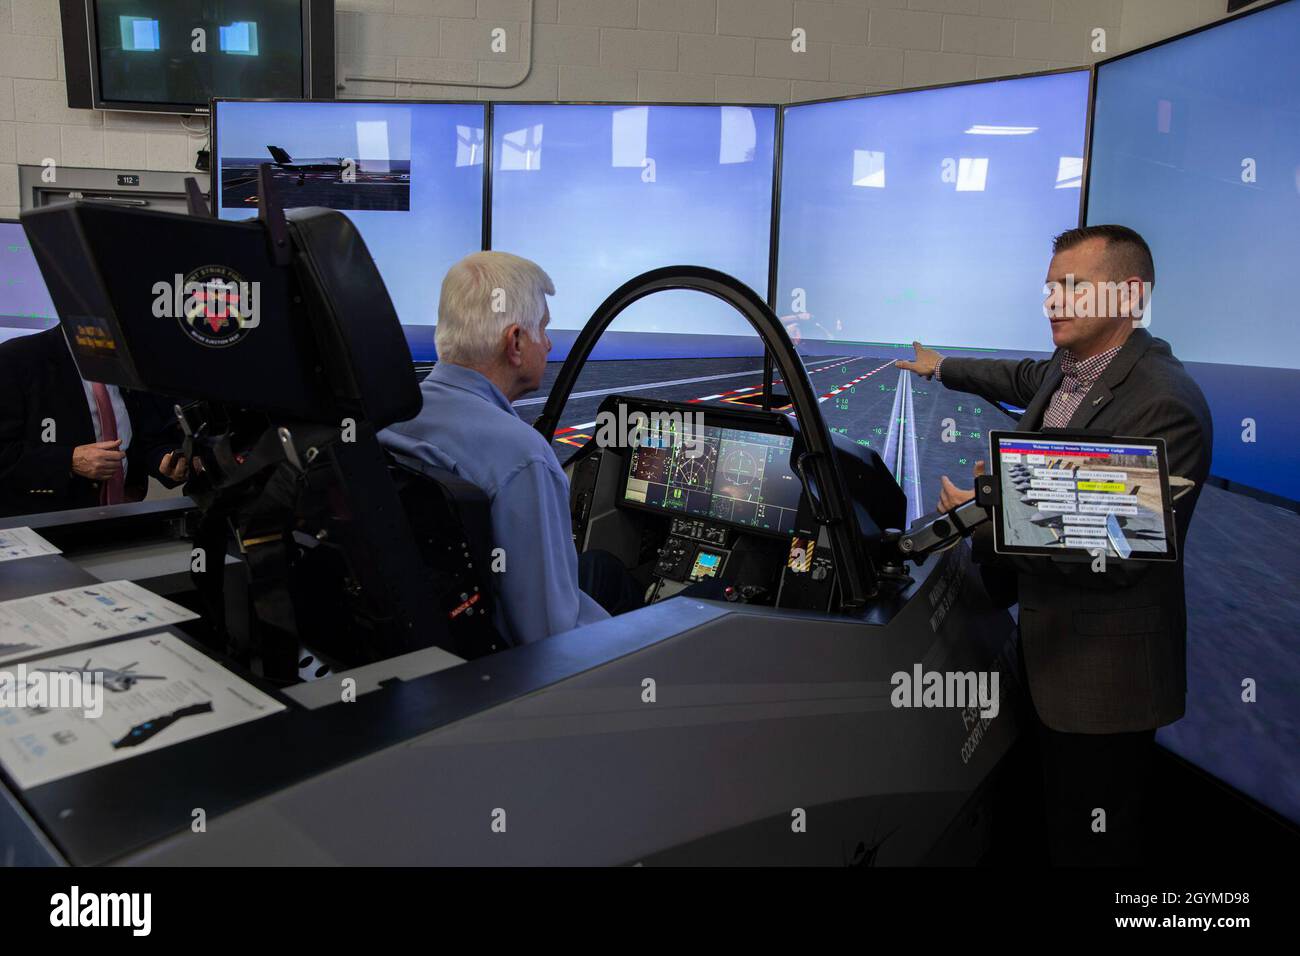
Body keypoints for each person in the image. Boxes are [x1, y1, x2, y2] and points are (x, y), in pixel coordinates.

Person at [897, 224, 1213, 865]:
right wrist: (942, 368)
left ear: (1129, 297)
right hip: (1042, 656)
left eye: (1072, 289)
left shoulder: (1164, 404)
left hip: (1103, 688)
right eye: (1049, 290)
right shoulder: (1069, 374)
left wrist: (991, 511)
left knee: (1090, 848)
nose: (1053, 304)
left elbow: (1117, 549)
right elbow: (1017, 375)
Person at [380, 251, 634, 646]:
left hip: (433, 632)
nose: (548, 344)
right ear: (515, 342)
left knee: (602, 569)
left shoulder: (396, 414)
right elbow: (551, 638)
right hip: (515, 671)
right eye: (543, 329)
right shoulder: (523, 459)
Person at [0, 326, 188, 518]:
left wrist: (163, 459)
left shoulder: (133, 361)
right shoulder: (15, 359)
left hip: (122, 524)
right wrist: (69, 461)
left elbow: (147, 437)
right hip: (42, 529)